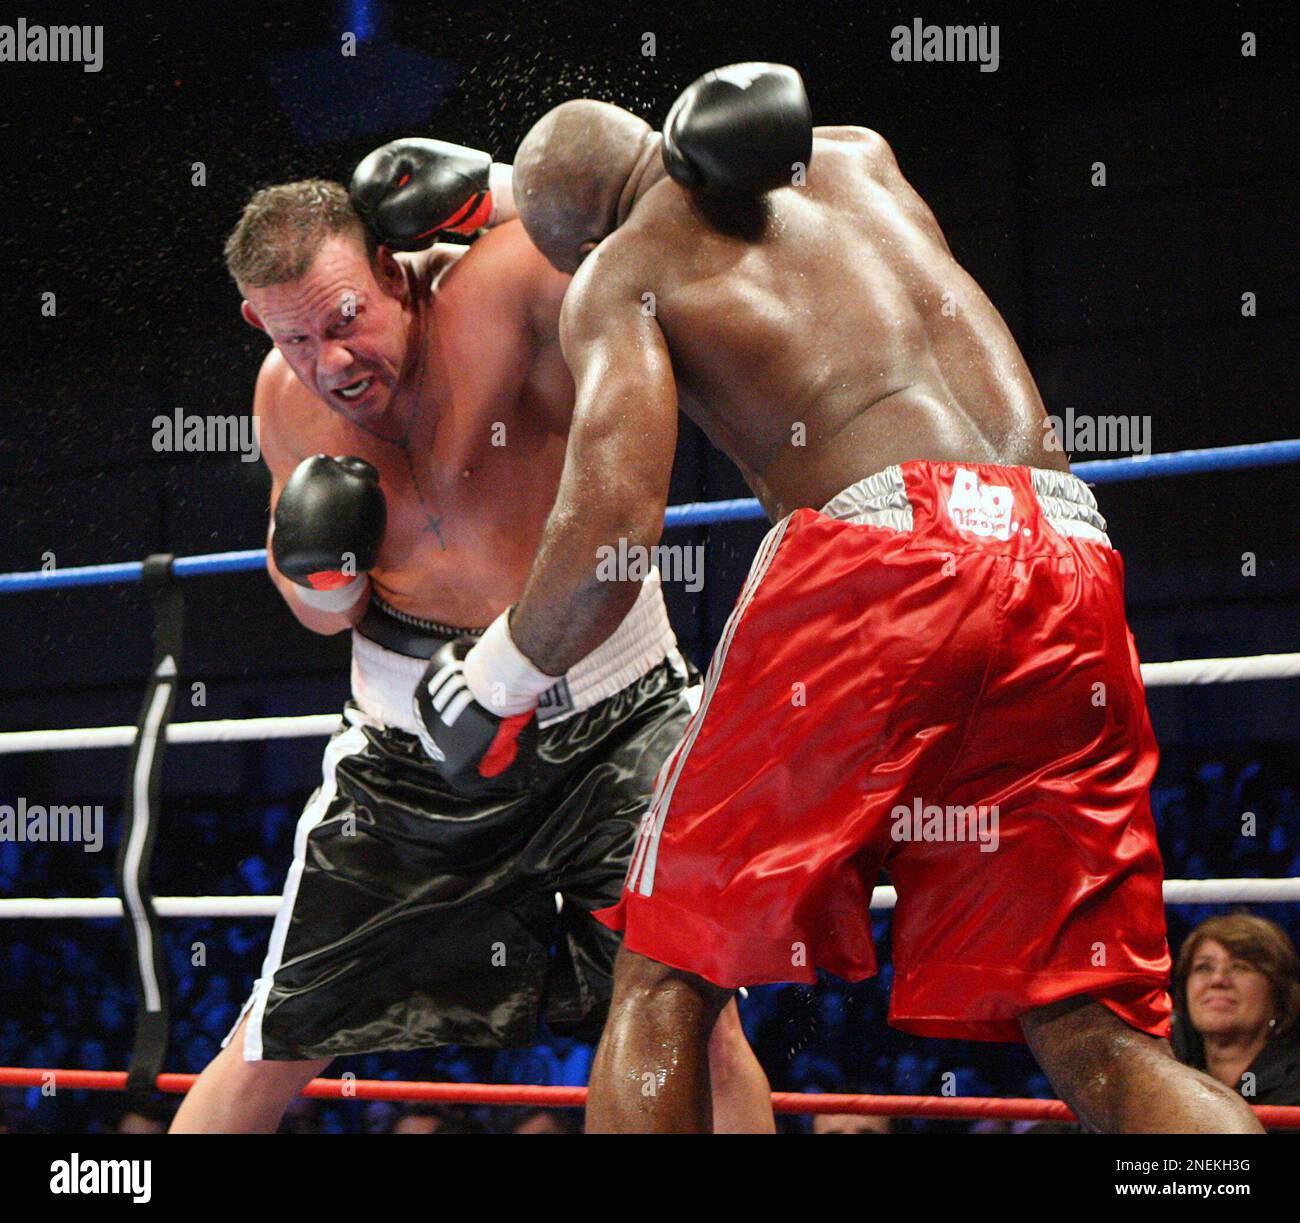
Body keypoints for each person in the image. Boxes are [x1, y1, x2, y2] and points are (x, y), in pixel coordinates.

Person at [413, 63, 1264, 1133]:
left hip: (880, 563)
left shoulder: (618, 271)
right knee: (1092, 1025)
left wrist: (493, 678)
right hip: (1068, 551)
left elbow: (610, 533)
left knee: (666, 971)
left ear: (574, 244)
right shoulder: (857, 156)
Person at [170, 145, 770, 1133]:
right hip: (413, 756)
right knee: (271, 1042)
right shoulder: (284, 400)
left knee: (702, 1022)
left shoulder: (502, 286)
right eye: (296, 338)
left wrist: (496, 184)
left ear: (393, 270)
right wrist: (320, 568)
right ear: (259, 326)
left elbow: (651, 249)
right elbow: (321, 612)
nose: (330, 361)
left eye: (344, 319)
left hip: (620, 720)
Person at [1172, 912, 1300, 1107]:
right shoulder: (1165, 1063)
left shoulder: (1294, 1082)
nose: (1217, 980)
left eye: (1239, 967)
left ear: (1278, 992)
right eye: (1204, 968)